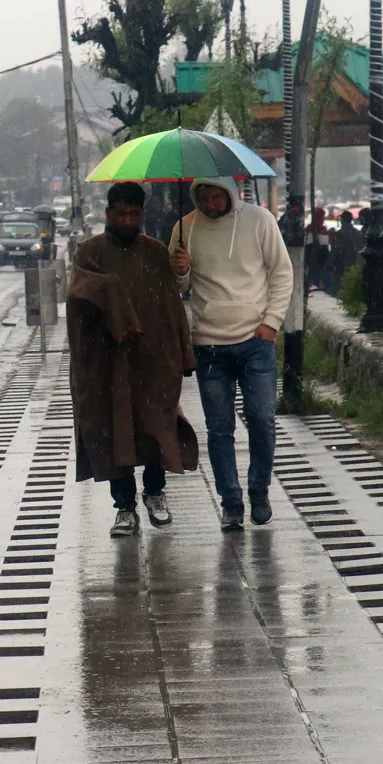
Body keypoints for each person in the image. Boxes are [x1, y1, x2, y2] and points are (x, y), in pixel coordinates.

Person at [67, 182, 199, 538]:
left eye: (133, 214)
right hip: (107, 363)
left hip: (152, 361)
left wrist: (183, 355)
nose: (127, 220)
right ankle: (124, 507)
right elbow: (78, 296)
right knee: (115, 432)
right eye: (120, 213)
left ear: (142, 215)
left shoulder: (156, 252)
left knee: (155, 426)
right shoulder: (88, 253)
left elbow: (172, 306)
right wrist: (108, 290)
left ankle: (155, 493)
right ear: (108, 213)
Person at [168, 177, 293, 530]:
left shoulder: (260, 221)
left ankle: (259, 489)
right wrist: (181, 270)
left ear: (230, 194)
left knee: (262, 420)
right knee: (219, 429)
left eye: (216, 197)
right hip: (209, 344)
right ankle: (231, 502)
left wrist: (271, 322)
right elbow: (178, 286)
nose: (210, 204)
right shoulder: (184, 228)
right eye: (203, 198)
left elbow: (282, 273)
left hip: (256, 341)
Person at [328, 210, 363, 294]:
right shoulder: (358, 233)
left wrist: (330, 265)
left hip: (340, 267)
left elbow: (334, 253)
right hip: (353, 266)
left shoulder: (338, 234)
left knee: (339, 292)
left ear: (342, 220)